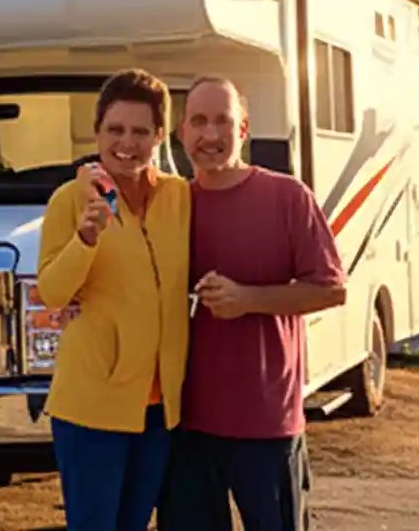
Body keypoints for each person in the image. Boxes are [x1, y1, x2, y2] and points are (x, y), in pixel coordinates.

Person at [157, 76, 348, 531]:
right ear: (180, 133)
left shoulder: (287, 196)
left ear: (244, 130)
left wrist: (248, 300)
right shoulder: (172, 204)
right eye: (198, 122)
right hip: (184, 424)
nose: (210, 135)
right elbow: (113, 200)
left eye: (223, 121)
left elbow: (331, 288)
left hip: (266, 423)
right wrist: (92, 178)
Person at [35, 68, 193, 531]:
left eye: (141, 131)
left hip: (159, 410)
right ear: (97, 132)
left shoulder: (180, 197)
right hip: (91, 406)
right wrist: (85, 239)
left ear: (160, 136)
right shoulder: (70, 199)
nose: (127, 142)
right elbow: (52, 293)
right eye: (115, 130)